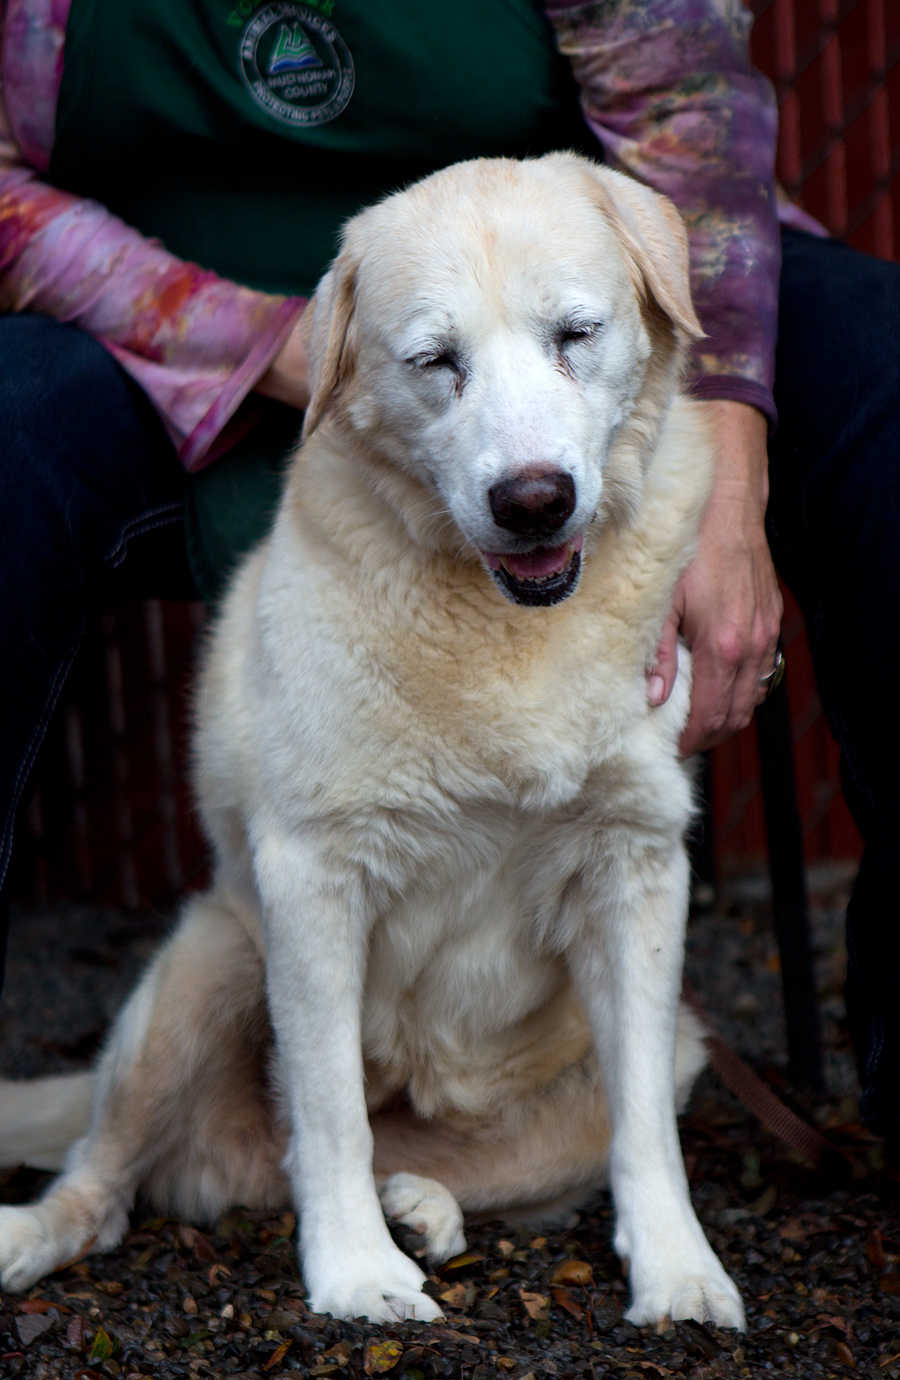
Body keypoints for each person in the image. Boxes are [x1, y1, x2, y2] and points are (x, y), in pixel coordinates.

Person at [0, 0, 897, 1158]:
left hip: (569, 303)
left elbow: (689, 120)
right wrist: (293, 347)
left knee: (879, 368)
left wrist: (727, 492)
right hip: (176, 322)